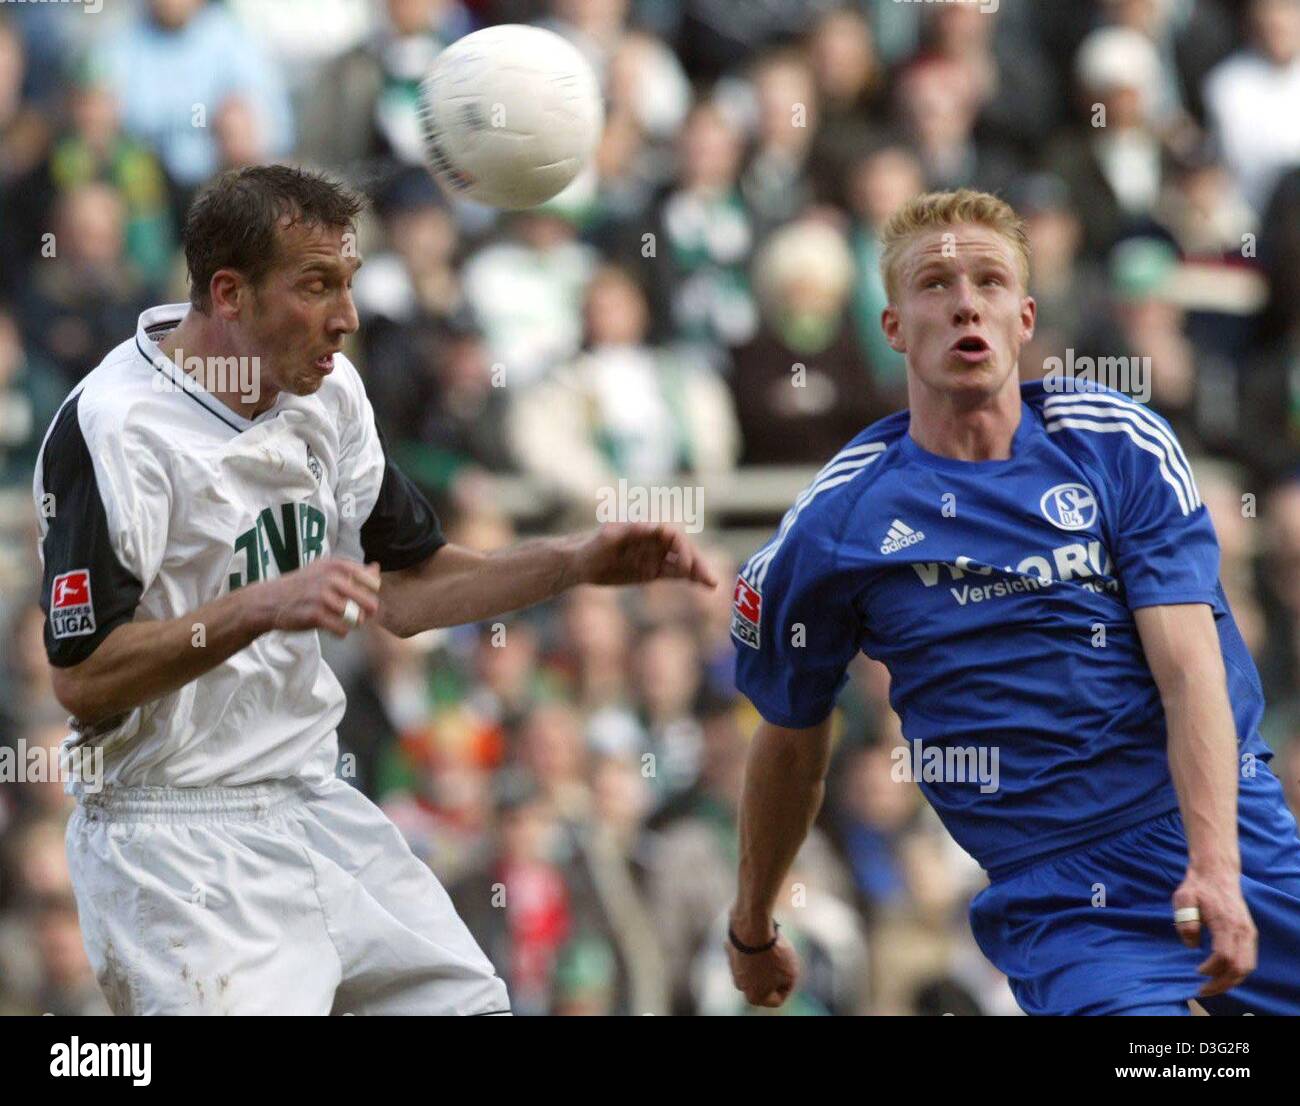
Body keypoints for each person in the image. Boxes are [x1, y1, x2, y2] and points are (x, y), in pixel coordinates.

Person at [32, 164, 716, 1016]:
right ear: (230, 293)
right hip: (173, 841)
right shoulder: (114, 427)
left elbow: (410, 587)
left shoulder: (330, 394)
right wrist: (260, 606)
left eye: (349, 284)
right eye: (316, 286)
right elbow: (82, 675)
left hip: (312, 801)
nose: (346, 317)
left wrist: (576, 561)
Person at [725, 188, 1300, 1016]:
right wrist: (751, 924)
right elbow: (789, 742)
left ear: (1025, 317)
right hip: (1063, 894)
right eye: (934, 285)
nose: (966, 302)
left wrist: (1213, 864)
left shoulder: (1116, 444)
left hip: (1223, 826)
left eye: (990, 282)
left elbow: (1190, 670)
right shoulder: (837, 524)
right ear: (892, 329)